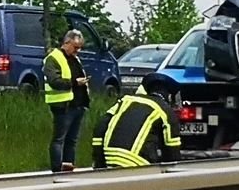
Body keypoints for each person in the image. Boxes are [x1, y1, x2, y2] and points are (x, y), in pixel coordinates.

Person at [93, 71, 184, 169]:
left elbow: (100, 127)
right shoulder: (165, 111)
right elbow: (172, 152)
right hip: (138, 164)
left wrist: (100, 165)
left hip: (110, 158)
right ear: (169, 96)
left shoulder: (126, 100)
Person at [44, 27, 90, 173]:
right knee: (59, 139)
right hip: (63, 105)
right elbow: (54, 81)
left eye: (80, 48)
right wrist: (75, 82)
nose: (78, 51)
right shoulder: (53, 58)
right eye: (76, 47)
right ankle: (57, 168)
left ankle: (68, 166)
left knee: (72, 140)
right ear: (67, 43)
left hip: (78, 104)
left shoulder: (75, 59)